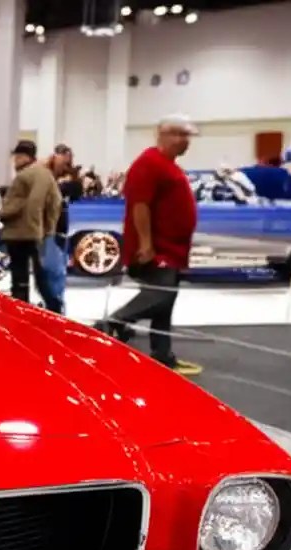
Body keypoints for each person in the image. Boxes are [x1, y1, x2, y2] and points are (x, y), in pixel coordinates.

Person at [95, 114, 201, 376]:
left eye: (187, 136)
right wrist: (146, 244)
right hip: (157, 249)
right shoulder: (149, 164)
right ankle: (109, 325)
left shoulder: (167, 165)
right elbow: (139, 205)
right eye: (181, 135)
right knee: (160, 295)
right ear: (165, 136)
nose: (186, 142)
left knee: (166, 302)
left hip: (173, 249)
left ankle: (163, 356)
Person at [0, 140, 62, 312]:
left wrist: (38, 231)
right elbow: (55, 202)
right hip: (31, 233)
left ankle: (23, 310)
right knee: (37, 276)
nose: (14, 161)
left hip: (22, 233)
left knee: (23, 278)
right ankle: (48, 308)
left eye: (17, 157)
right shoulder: (42, 174)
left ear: (24, 156)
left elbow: (36, 202)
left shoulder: (30, 174)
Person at [43, 144, 80, 314]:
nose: (68, 164)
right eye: (65, 160)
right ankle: (54, 306)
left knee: (58, 270)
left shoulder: (67, 179)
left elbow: (76, 192)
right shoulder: (46, 179)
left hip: (60, 230)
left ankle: (55, 304)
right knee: (55, 271)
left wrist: (72, 174)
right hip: (48, 231)